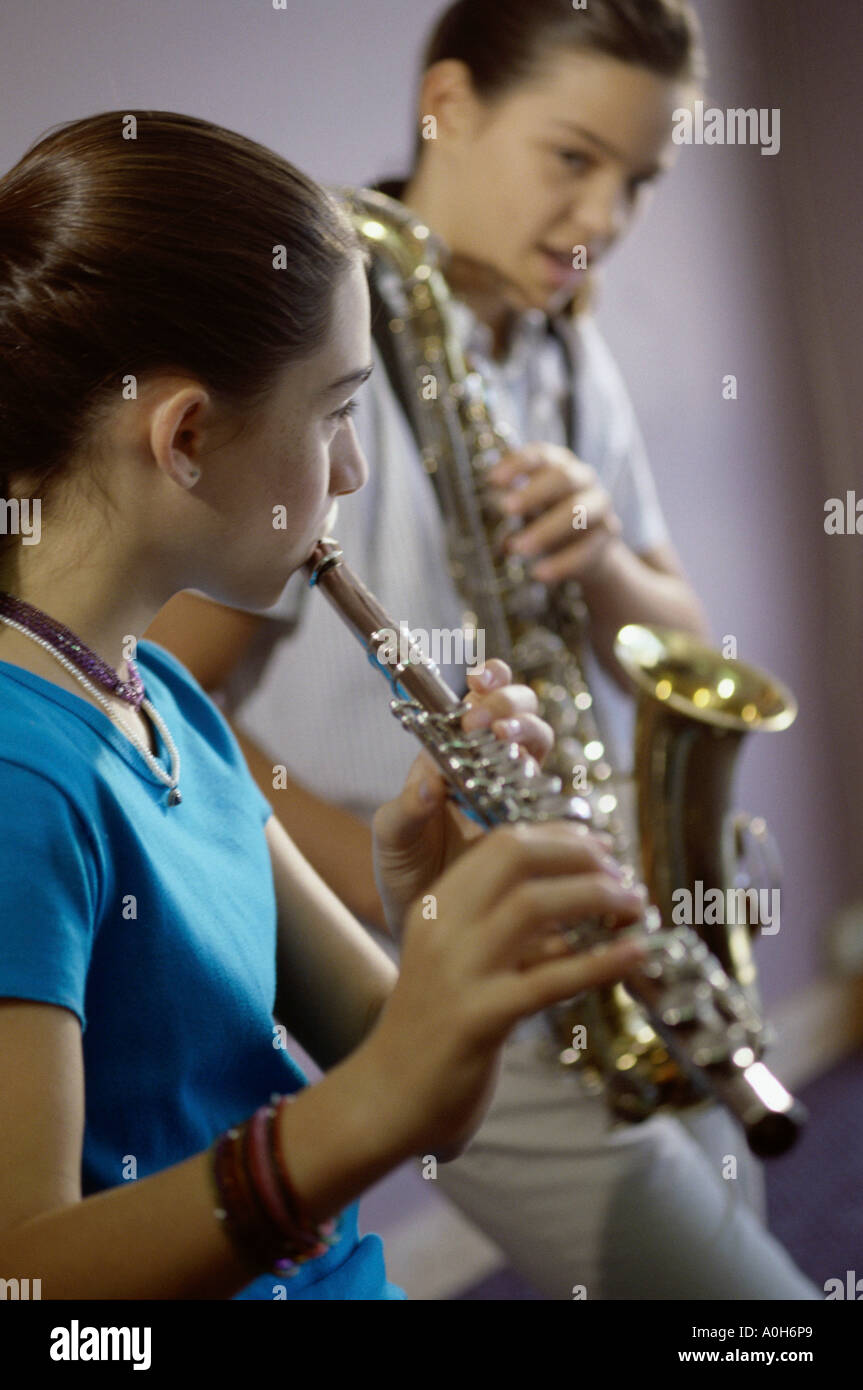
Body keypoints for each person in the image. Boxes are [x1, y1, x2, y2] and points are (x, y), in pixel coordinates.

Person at [149, 1, 820, 1300]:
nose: (604, 218)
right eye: (571, 158)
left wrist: (603, 553)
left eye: (635, 179)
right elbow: (175, 699)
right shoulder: (316, 363)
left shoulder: (557, 341)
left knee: (720, 1221)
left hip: (600, 913)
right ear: (445, 106)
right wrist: (421, 882)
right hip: (437, 963)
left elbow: (686, 661)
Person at [0, 109, 653, 1301]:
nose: (349, 469)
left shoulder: (171, 700)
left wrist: (444, 919)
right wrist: (354, 1111)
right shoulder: (17, 782)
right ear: (188, 437)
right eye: (338, 409)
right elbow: (26, 1285)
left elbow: (436, 1119)